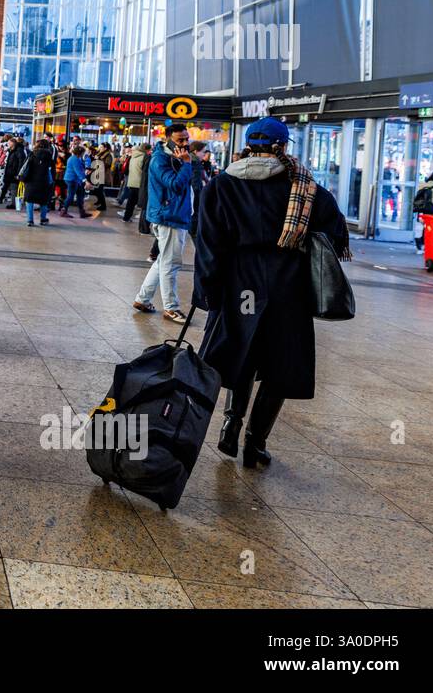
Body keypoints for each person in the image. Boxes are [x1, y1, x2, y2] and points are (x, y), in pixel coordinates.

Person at [193, 117, 350, 468]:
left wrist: (207, 291)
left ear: (249, 144)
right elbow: (336, 232)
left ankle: (231, 427)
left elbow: (208, 243)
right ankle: (256, 443)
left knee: (242, 356)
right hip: (287, 287)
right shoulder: (305, 187)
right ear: (282, 147)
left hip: (239, 286)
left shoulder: (221, 185)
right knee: (280, 364)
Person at [133, 122, 194, 324]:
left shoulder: (173, 156)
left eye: (187, 138)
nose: (185, 143)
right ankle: (171, 307)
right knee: (170, 263)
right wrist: (186, 164)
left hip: (174, 214)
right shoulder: (160, 159)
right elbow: (175, 185)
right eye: (180, 139)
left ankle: (143, 299)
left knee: (162, 261)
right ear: (169, 138)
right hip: (169, 216)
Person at [20, 138, 55, 226]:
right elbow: (52, 171)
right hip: (44, 182)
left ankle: (30, 220)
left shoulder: (32, 155)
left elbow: (25, 166)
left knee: (29, 200)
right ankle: (43, 219)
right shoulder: (49, 157)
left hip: (31, 181)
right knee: (43, 201)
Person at [118, 142, 149, 222]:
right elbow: (145, 171)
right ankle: (142, 218)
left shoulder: (132, 157)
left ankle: (126, 218)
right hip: (140, 183)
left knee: (131, 201)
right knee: (143, 201)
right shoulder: (144, 157)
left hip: (132, 182)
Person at [60, 145, 90, 218]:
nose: (84, 154)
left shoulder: (75, 158)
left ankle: (82, 212)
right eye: (83, 152)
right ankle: (63, 211)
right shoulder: (74, 159)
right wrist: (85, 181)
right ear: (80, 153)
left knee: (80, 195)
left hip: (75, 180)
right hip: (72, 179)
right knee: (70, 196)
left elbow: (80, 169)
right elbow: (78, 171)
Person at [0, 136, 26, 209]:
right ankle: (1, 199)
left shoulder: (19, 150)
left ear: (13, 143)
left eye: (9, 143)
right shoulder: (11, 150)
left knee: (14, 188)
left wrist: (18, 174)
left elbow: (21, 163)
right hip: (9, 172)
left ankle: (14, 204)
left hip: (14, 173)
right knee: (6, 187)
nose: (8, 144)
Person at [88, 146, 109, 211]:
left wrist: (98, 159)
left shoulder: (107, 155)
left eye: (101, 147)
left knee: (99, 190)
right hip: (97, 174)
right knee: (97, 190)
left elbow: (106, 164)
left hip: (102, 174)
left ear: (105, 148)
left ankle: (103, 206)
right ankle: (100, 201)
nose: (100, 148)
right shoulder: (99, 154)